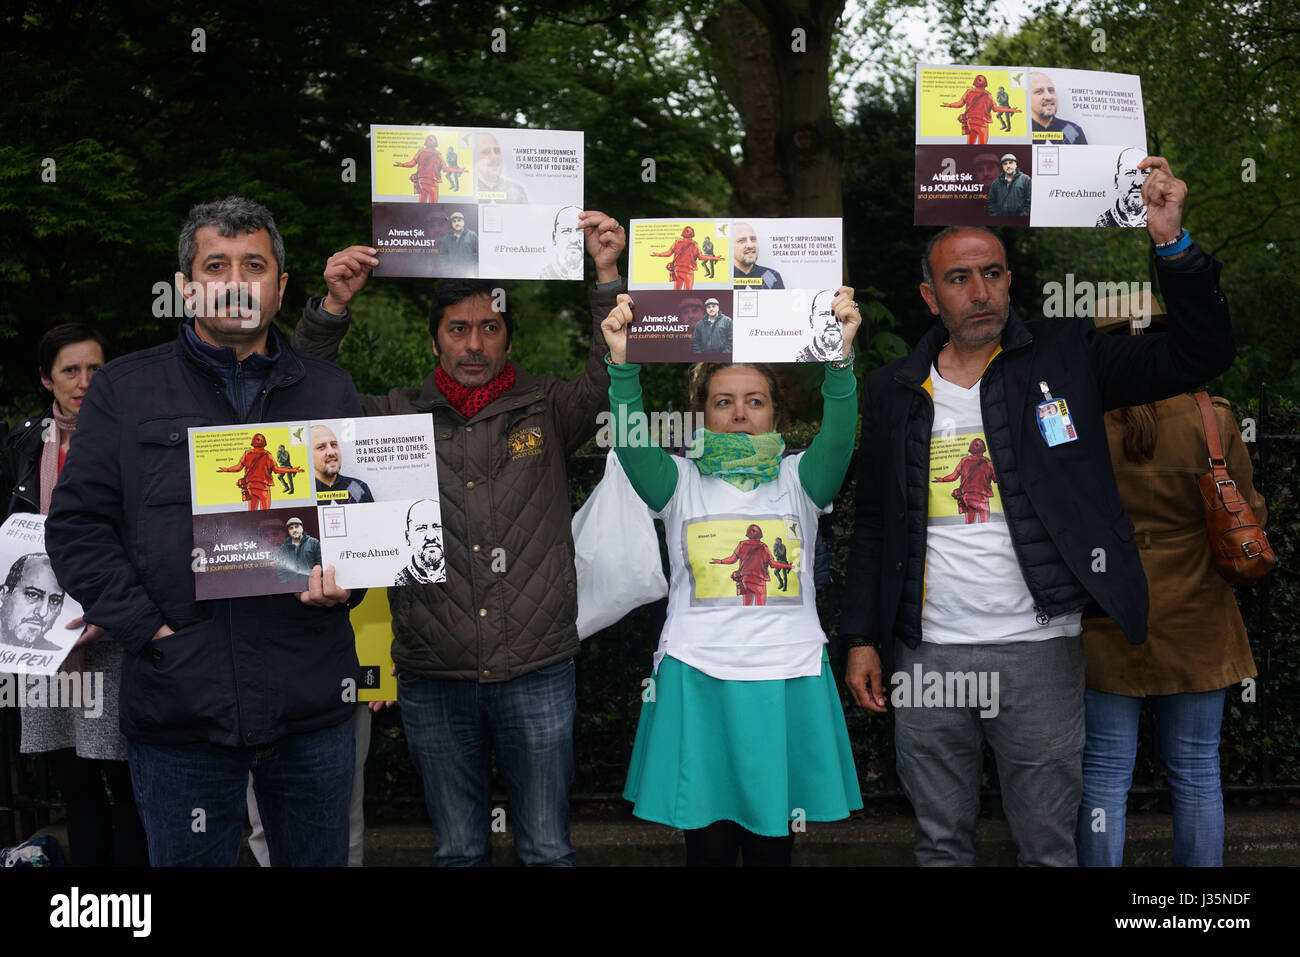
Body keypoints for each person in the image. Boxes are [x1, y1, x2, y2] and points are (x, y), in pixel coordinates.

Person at [839, 157, 1236, 866]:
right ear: (931, 297)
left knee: (1050, 846)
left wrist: (1171, 242)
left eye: (992, 272)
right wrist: (864, 637)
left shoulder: (1066, 355)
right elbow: (874, 523)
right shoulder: (890, 389)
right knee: (939, 842)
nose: (979, 290)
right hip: (926, 652)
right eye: (958, 278)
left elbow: (1199, 353)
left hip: (1040, 650)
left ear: (1010, 282)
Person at [292, 210, 626, 866]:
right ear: (436, 340)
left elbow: (613, 366)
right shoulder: (390, 416)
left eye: (489, 328)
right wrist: (331, 306)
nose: (474, 344)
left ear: (508, 337)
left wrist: (608, 272)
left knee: (549, 849)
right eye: (458, 329)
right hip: (432, 672)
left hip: (538, 667)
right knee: (458, 851)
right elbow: (300, 399)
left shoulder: (549, 408)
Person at [46, 196, 365, 867]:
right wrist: (151, 633)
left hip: (311, 699)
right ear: (186, 286)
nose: (235, 280)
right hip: (179, 707)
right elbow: (77, 528)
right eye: (215, 265)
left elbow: (352, 521)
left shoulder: (331, 391)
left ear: (281, 285)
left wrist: (348, 583)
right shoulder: (125, 391)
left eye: (254, 264)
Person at [600, 285, 864, 866]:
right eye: (723, 402)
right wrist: (622, 365)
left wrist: (840, 360)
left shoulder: (802, 480)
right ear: (703, 414)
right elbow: (628, 440)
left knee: (773, 849)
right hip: (699, 676)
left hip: (786, 674)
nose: (740, 412)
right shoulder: (675, 482)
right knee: (710, 851)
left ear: (776, 412)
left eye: (754, 400)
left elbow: (841, 437)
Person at [1076, 317, 1262, 867]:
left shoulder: (1077, 418)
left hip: (1106, 614)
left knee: (1104, 775)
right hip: (1198, 615)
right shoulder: (1211, 414)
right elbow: (1249, 513)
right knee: (1198, 770)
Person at [1, 322, 147, 867]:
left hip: (114, 632)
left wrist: (116, 607)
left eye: (96, 369)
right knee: (73, 779)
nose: (85, 382)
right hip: (45, 643)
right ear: (46, 379)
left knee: (125, 777)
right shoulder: (23, 440)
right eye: (70, 371)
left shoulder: (132, 435)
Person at [216, 431, 301, 510]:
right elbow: (277, 469)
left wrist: (226, 469)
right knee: (265, 513)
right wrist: (292, 470)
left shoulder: (247, 454)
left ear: (253, 443)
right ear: (264, 443)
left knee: (252, 512)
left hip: (251, 487)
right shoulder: (268, 455)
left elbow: (238, 468)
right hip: (264, 488)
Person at [0, 554, 64, 650]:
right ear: (4, 594)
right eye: (32, 595)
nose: (43, 612)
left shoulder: (56, 653)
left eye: (54, 601)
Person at [939, 73, 1021, 145]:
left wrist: (949, 105)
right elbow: (995, 109)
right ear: (985, 84)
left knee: (970, 147)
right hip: (982, 125)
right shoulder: (988, 96)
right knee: (982, 149)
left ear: (974, 83)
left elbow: (960, 104)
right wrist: (1010, 110)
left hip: (970, 123)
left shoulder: (969, 92)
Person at [310, 423, 374, 503]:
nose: (331, 452)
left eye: (334, 445)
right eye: (321, 447)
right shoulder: (302, 494)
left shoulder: (357, 487)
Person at [651, 225, 722, 291]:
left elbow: (668, 253)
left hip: (677, 271)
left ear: (683, 233)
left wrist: (658, 254)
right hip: (688, 271)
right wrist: (714, 258)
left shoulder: (677, 242)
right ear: (693, 234)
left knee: (676, 291)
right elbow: (701, 257)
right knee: (688, 293)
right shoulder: (695, 245)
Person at [394, 499, 445, 585]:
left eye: (437, 527)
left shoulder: (460, 571)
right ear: (408, 537)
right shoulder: (398, 581)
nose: (431, 537)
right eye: (421, 528)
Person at [1029, 72, 1088, 144]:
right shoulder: (1019, 133)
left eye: (1051, 90)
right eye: (1039, 92)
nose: (1049, 97)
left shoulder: (1073, 130)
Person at [1097, 148, 1149, 228]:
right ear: (1116, 180)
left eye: (1145, 173)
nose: (1138, 182)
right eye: (1130, 173)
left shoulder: (1158, 221)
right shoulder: (1101, 223)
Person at [474, 132, 528, 203]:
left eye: (497, 151)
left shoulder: (517, 191)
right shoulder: (466, 191)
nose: (494, 157)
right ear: (474, 158)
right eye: (486, 152)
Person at [395, 135, 448, 204]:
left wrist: (402, 164)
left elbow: (412, 164)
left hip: (422, 181)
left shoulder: (421, 152)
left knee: (422, 203)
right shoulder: (437, 154)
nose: (431, 141)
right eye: (430, 140)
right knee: (433, 205)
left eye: (432, 140)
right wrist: (458, 170)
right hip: (432, 183)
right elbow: (445, 168)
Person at [793, 289, 844, 362]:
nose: (831, 322)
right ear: (811, 321)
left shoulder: (851, 354)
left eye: (837, 313)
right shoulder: (799, 359)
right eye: (824, 314)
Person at [538, 206, 586, 280]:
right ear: (554, 238)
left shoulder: (594, 269)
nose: (574, 239)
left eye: (580, 231)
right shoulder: (543, 274)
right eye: (566, 231)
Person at [732, 222, 784, 290]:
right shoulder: (722, 279)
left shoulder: (770, 275)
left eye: (753, 239)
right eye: (742, 241)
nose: (750, 245)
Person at [275, 517, 321, 583]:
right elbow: (280, 569)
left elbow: (320, 563)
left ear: (302, 528)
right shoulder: (283, 549)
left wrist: (316, 579)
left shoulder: (313, 543)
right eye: (291, 528)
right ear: (288, 531)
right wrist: (286, 584)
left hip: (311, 584)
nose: (294, 530)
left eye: (297, 527)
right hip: (292, 586)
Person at [439, 212, 478, 277]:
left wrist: (472, 266)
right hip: (452, 273)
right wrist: (447, 268)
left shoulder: (472, 236)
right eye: (454, 221)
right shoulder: (446, 238)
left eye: (459, 221)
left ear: (463, 222)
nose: (456, 223)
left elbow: (477, 253)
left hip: (469, 272)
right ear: (452, 224)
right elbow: (443, 254)